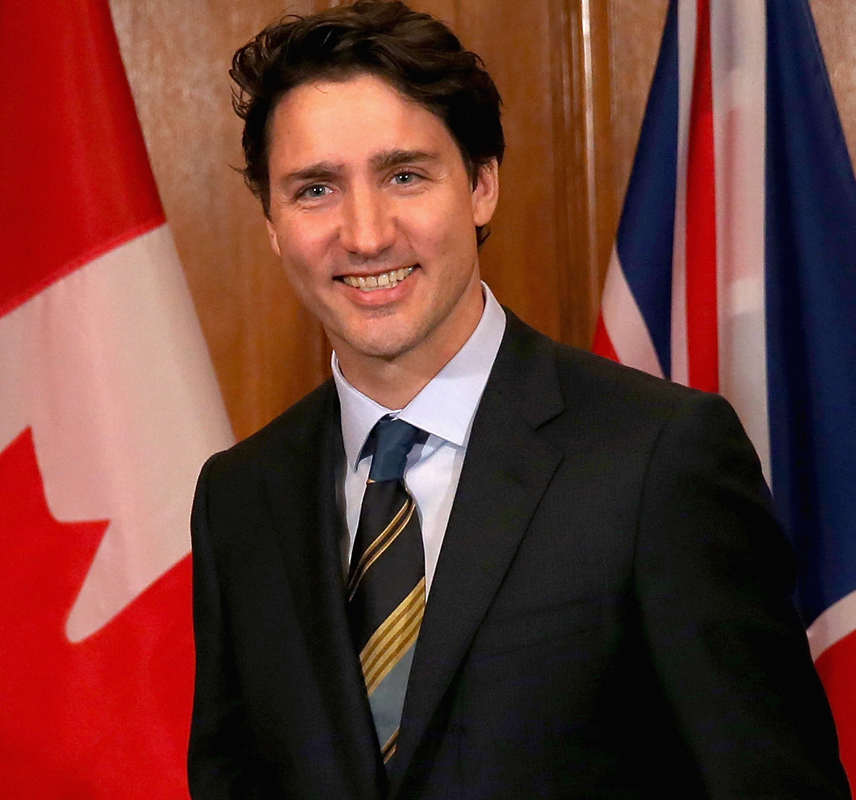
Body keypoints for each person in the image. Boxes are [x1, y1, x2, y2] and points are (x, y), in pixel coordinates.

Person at [187, 2, 848, 798]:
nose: (364, 234)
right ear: (272, 222)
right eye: (315, 188)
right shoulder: (240, 499)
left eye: (404, 175)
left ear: (482, 186)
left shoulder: (659, 458)